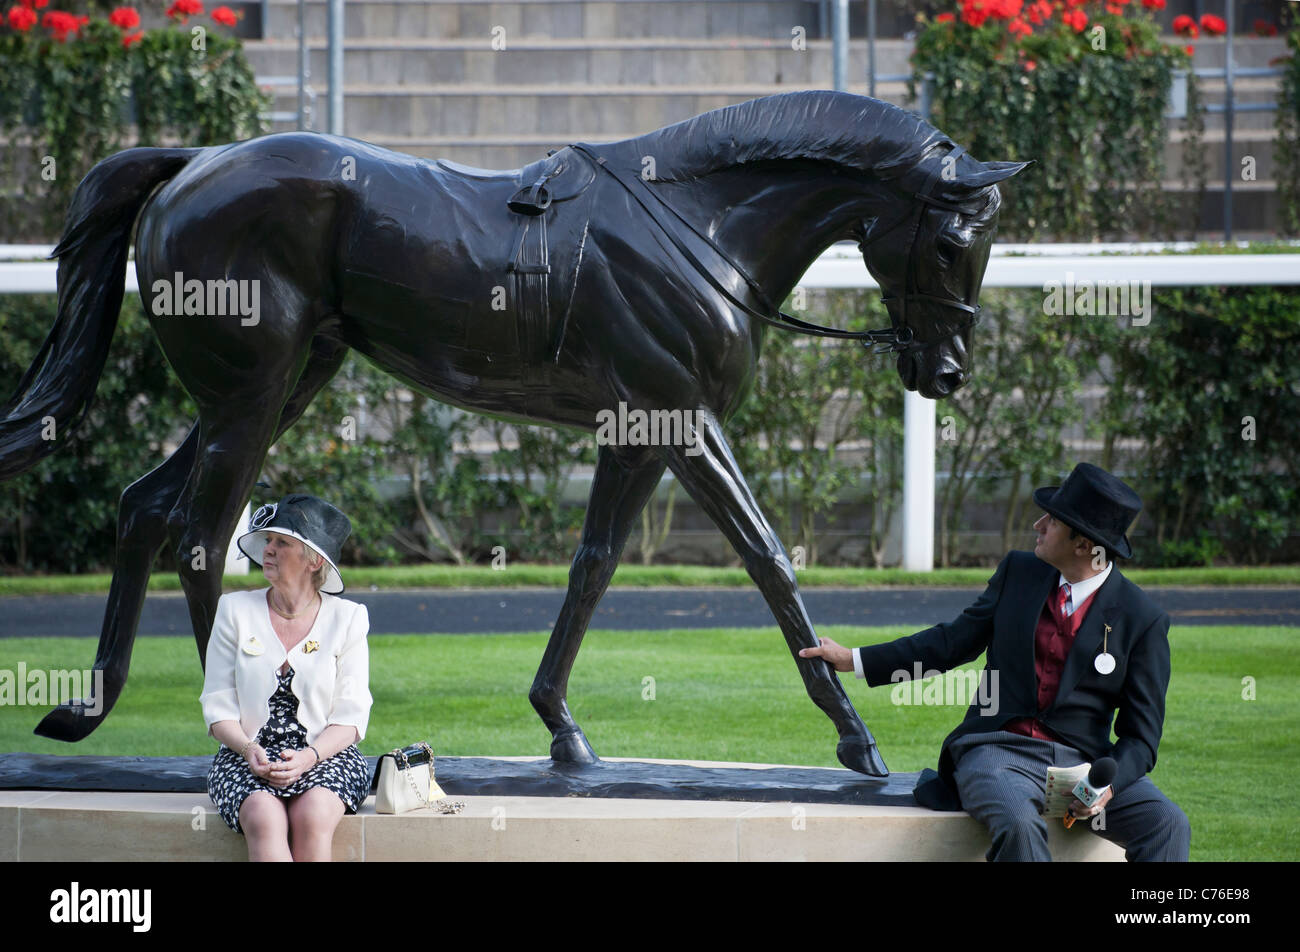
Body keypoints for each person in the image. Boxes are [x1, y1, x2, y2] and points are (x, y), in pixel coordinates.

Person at [800, 462, 1190, 861]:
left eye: (1051, 520)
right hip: (996, 752)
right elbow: (951, 643)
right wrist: (854, 659)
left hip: (1082, 765)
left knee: (1169, 825)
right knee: (1020, 826)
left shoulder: (1142, 618)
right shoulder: (1019, 573)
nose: (1037, 525)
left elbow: (1141, 738)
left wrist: (1107, 786)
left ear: (1083, 545)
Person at [200, 493, 373, 861]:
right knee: (264, 818)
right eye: (268, 541)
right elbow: (217, 708)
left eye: (282, 543)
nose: (269, 549)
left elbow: (352, 716)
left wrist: (309, 757)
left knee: (311, 815)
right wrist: (249, 750)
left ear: (312, 560)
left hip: (326, 755)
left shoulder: (349, 618)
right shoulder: (233, 610)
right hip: (245, 755)